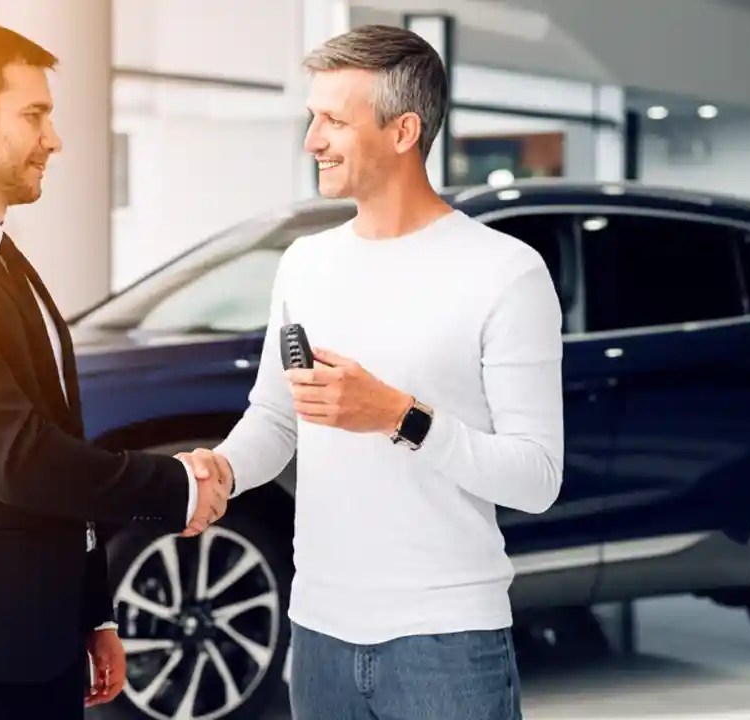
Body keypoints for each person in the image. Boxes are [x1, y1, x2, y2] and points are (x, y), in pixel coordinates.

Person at [178, 25, 564, 720]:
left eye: (332, 120)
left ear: (403, 131)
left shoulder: (504, 271)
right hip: (320, 629)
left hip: (446, 641)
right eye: (311, 118)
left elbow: (536, 478)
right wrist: (224, 472)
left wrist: (398, 415)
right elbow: (275, 416)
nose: (312, 141)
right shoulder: (305, 263)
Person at [0, 21, 230, 720]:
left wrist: (93, 612)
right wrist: (173, 486)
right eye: (34, 115)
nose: (53, 139)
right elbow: (17, 457)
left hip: (37, 647)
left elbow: (56, 434)